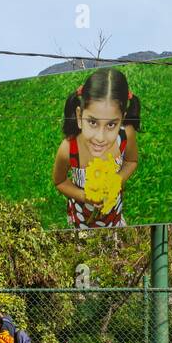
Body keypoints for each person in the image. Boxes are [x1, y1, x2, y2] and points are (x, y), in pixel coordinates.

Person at [52, 67, 140, 229]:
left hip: (113, 215)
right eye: (92, 122)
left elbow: (131, 161)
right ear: (79, 117)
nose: (100, 137)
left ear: (122, 120)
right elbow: (60, 181)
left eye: (111, 124)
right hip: (81, 220)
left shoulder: (125, 135)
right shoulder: (68, 149)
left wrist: (116, 181)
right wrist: (84, 196)